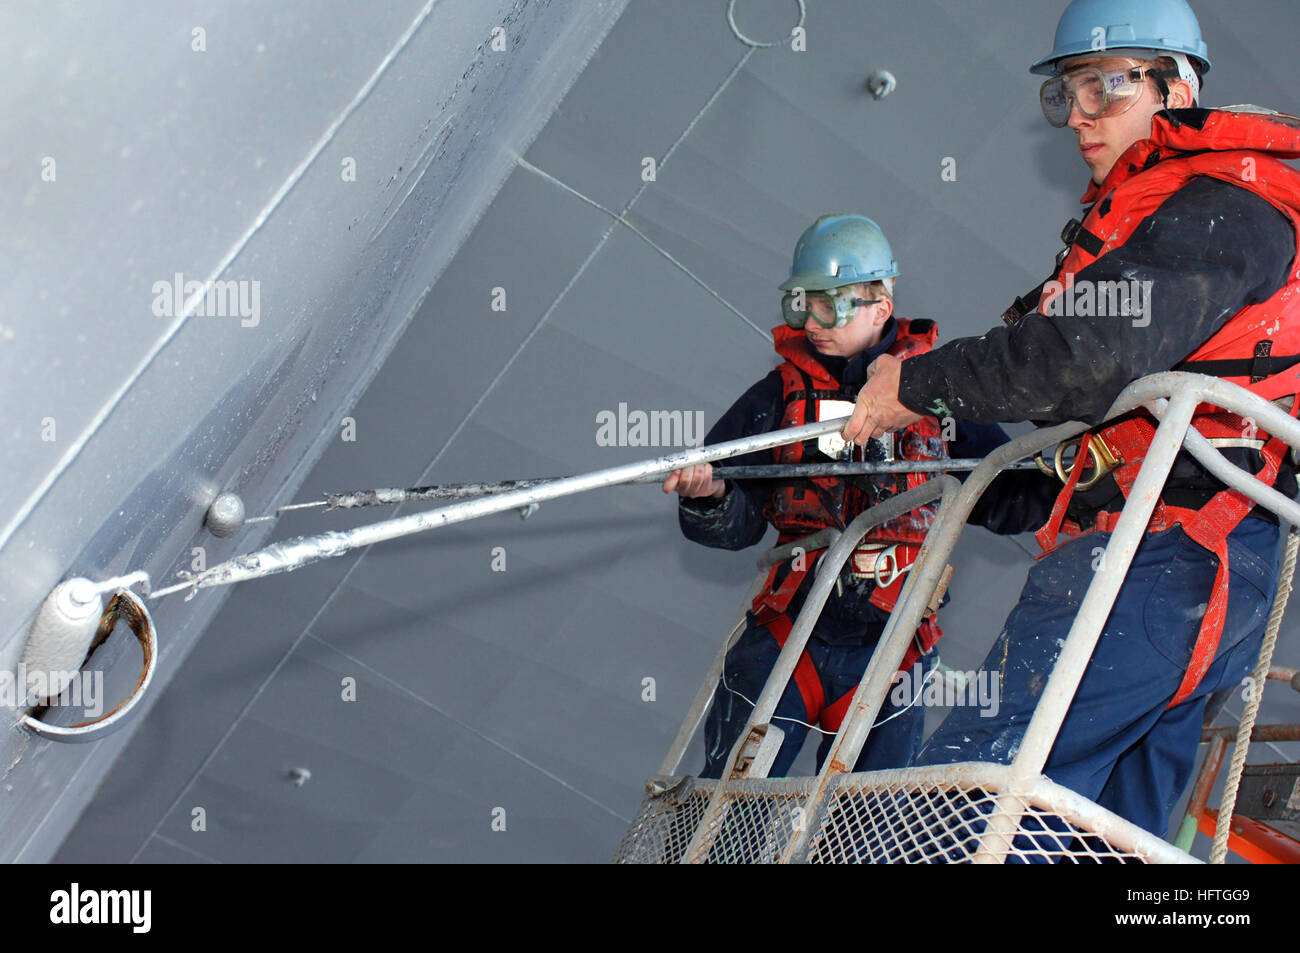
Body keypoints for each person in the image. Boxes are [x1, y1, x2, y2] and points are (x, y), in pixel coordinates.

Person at [841, 0, 1300, 838]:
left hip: (1164, 561)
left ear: (1178, 87)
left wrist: (916, 382)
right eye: (1068, 94)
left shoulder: (1220, 211)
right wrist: (960, 472)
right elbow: (1085, 445)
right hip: (1191, 567)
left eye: (1108, 87)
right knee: (1105, 835)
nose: (1081, 116)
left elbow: (1081, 358)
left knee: (969, 814)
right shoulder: (1180, 217)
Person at [664, 214, 1017, 780]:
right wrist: (708, 496)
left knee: (862, 827)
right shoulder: (777, 397)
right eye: (802, 304)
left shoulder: (936, 394)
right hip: (789, 634)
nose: (812, 322)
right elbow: (735, 525)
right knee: (729, 804)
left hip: (891, 649)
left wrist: (1073, 486)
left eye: (830, 305)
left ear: (882, 307)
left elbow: (1008, 493)